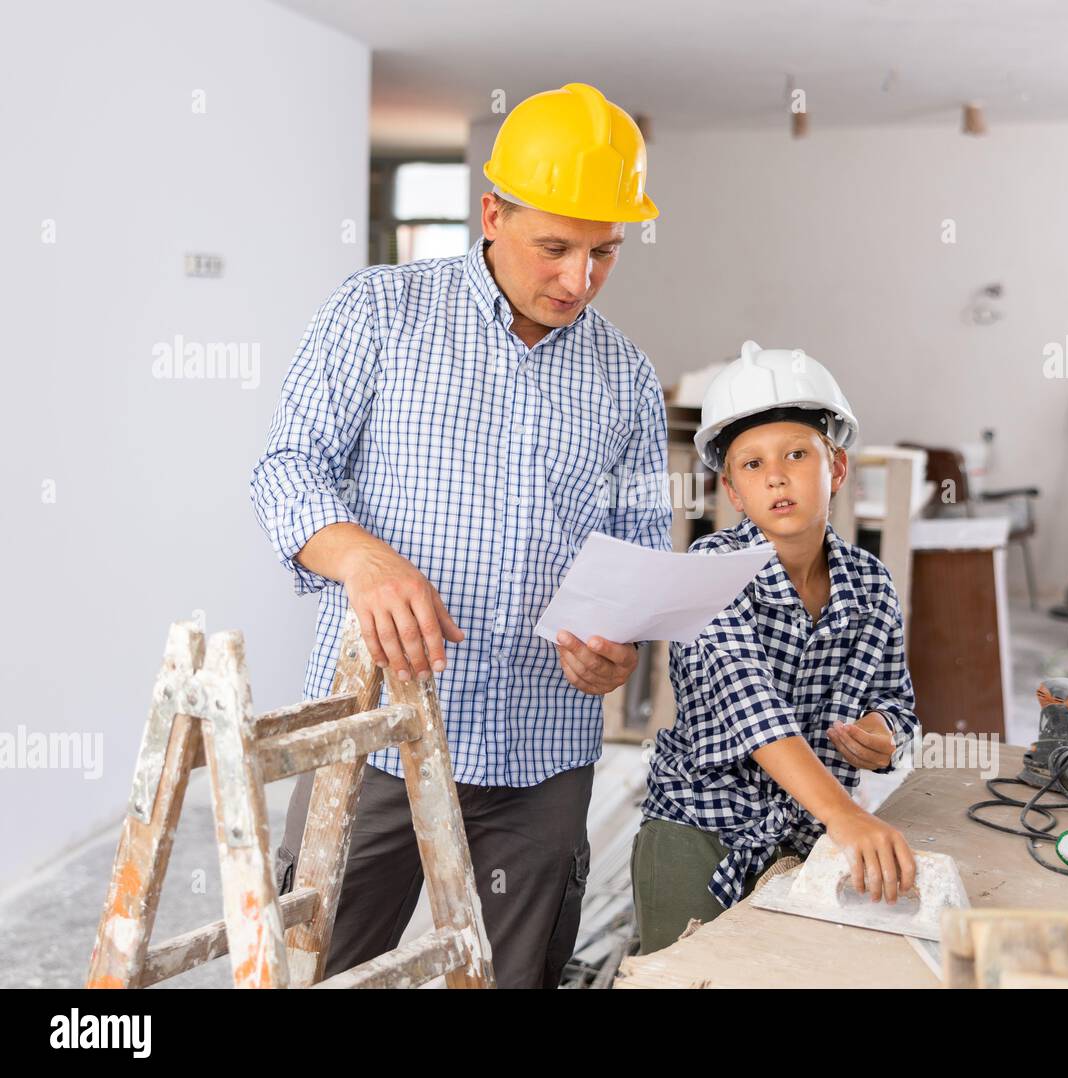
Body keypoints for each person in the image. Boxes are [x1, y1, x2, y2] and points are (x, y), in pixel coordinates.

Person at [250, 83, 670, 987]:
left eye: (604, 253)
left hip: (542, 752)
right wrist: (360, 557)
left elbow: (639, 540)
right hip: (379, 735)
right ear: (492, 213)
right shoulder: (379, 311)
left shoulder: (628, 377)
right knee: (321, 965)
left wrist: (619, 641)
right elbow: (286, 467)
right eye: (554, 247)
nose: (577, 280)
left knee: (510, 978)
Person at [631, 340, 920, 955]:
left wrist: (884, 736)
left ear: (836, 469)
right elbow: (752, 710)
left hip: (811, 833)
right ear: (733, 491)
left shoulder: (870, 583)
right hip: (701, 831)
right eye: (752, 465)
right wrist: (848, 816)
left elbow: (898, 703)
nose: (778, 477)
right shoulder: (710, 570)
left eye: (796, 454)